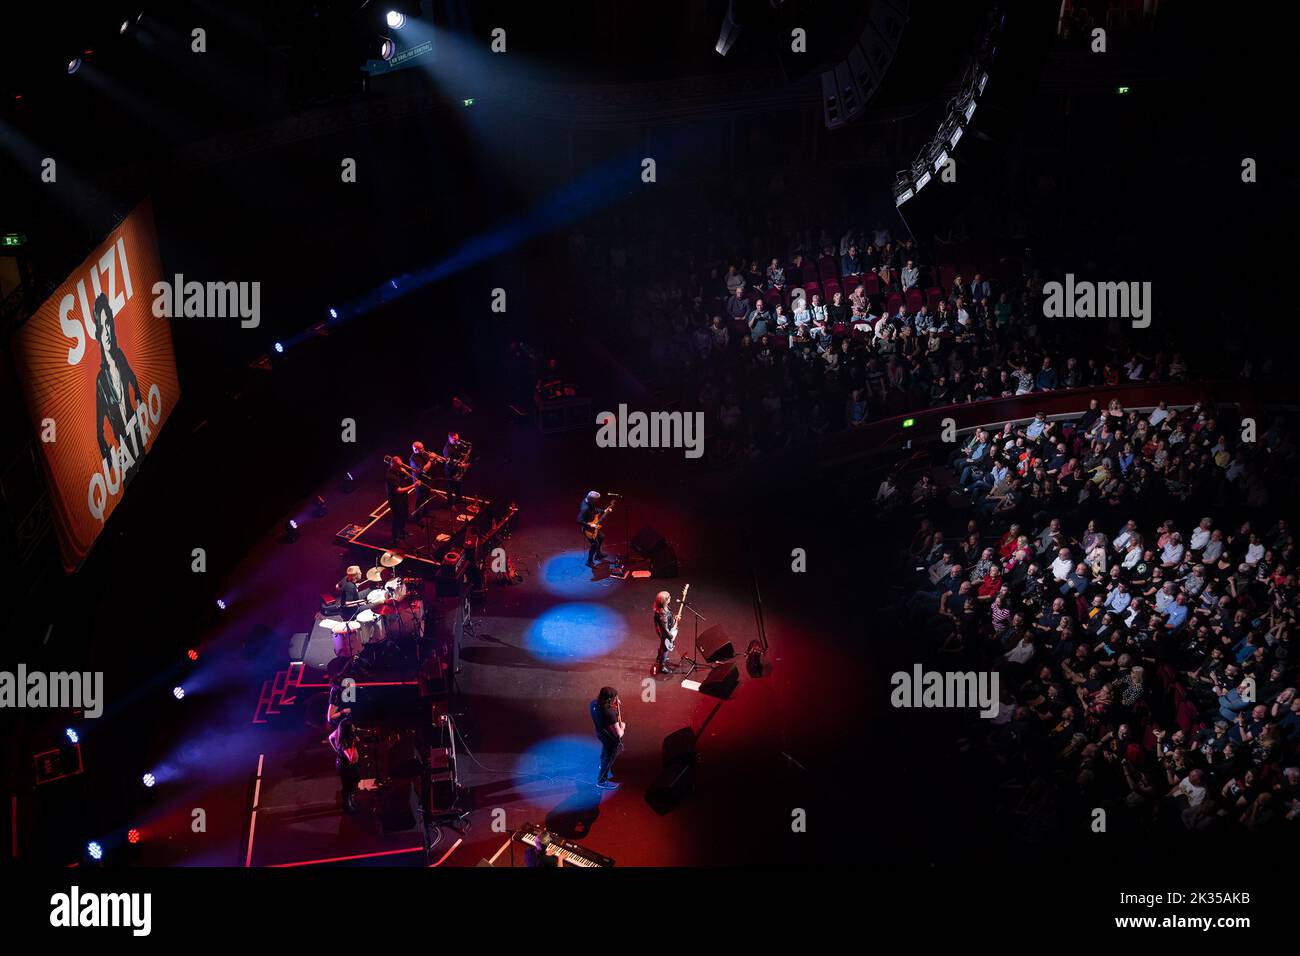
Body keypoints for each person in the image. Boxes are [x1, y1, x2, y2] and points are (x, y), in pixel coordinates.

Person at [92, 292, 144, 487]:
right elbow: (99, 432)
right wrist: (110, 459)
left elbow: (133, 379)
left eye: (108, 324)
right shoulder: (100, 382)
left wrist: (139, 403)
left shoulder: (120, 355)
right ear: (97, 332)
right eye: (102, 326)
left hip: (139, 439)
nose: (106, 332)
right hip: (126, 456)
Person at [591, 686, 624, 789]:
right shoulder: (610, 713)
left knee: (605, 752)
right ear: (609, 699)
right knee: (609, 758)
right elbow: (619, 734)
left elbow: (604, 711)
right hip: (610, 739)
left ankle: (602, 764)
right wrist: (623, 726)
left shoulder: (593, 704)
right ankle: (602, 781)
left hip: (600, 733)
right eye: (614, 697)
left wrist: (612, 703)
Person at [329, 719, 362, 814]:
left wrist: (335, 749)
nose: (354, 727)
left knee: (350, 786)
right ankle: (348, 806)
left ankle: (350, 803)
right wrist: (354, 744)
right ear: (348, 730)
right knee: (348, 787)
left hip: (345, 765)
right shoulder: (345, 742)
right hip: (346, 767)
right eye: (352, 727)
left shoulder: (339, 733)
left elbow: (330, 737)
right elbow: (351, 758)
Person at [386, 454, 416, 545]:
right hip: (395, 500)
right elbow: (398, 490)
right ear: (393, 465)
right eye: (399, 466)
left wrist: (406, 473)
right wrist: (413, 486)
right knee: (397, 518)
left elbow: (404, 479)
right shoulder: (390, 476)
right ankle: (395, 538)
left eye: (401, 465)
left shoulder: (398, 471)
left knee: (404, 515)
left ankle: (402, 532)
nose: (400, 467)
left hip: (403, 497)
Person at [577, 490, 610, 567]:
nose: (597, 501)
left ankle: (598, 554)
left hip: (593, 525)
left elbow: (594, 510)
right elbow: (579, 520)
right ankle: (589, 561)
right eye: (596, 500)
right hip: (587, 529)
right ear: (591, 500)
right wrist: (590, 526)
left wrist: (604, 511)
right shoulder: (585, 508)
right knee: (594, 544)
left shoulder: (589, 502)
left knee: (601, 537)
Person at [652, 590, 678, 676]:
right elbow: (665, 629)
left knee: (663, 644)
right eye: (669, 597)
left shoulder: (665, 607)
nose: (670, 598)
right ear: (665, 600)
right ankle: (662, 666)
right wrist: (671, 637)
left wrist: (675, 618)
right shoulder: (663, 614)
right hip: (665, 633)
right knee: (666, 648)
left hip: (664, 632)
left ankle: (659, 657)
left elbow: (670, 616)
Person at [442, 430, 466, 507]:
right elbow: (449, 462)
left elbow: (458, 453)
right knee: (450, 488)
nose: (457, 441)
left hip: (457, 469)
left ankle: (459, 501)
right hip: (450, 470)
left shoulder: (456, 444)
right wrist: (459, 465)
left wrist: (463, 455)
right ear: (450, 439)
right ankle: (450, 505)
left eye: (457, 439)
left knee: (458, 485)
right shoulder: (447, 449)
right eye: (455, 440)